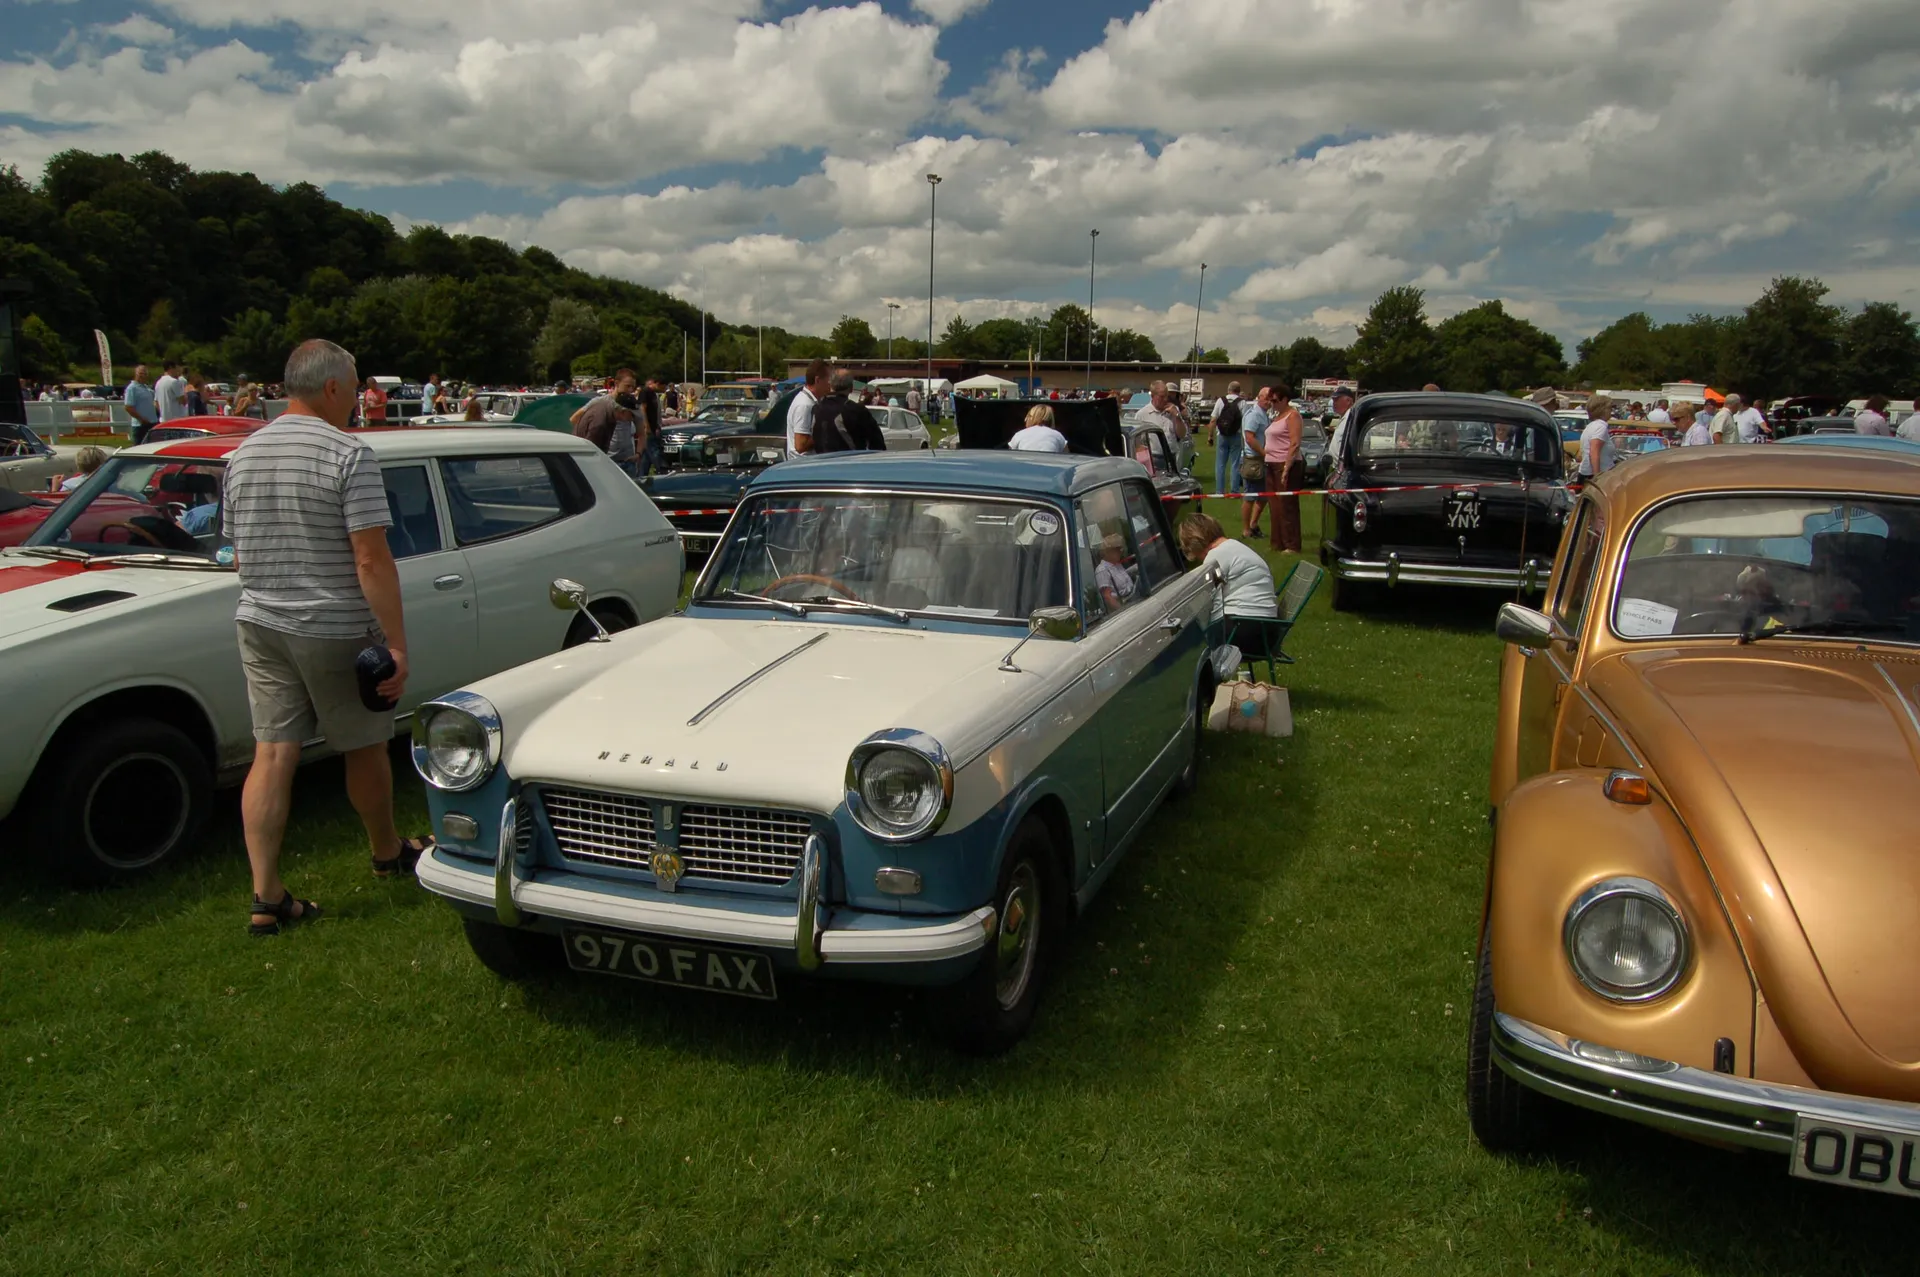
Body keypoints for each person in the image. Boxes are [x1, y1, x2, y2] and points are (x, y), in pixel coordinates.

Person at [221, 338, 431, 938]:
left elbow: (239, 552)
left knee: (272, 752)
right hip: (333, 624)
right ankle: (386, 851)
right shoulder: (347, 453)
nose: (360, 399)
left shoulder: (242, 454)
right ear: (333, 388)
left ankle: (266, 894)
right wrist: (396, 645)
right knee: (364, 745)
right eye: (356, 387)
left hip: (260, 620)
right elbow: (370, 557)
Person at [1177, 512, 1276, 648]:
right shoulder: (1234, 547)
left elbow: (1204, 598)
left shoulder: (1216, 555)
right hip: (1266, 629)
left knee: (1187, 636)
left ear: (1194, 543)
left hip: (1245, 628)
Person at [570, 367, 639, 471]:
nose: (630, 390)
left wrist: (638, 454)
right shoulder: (600, 403)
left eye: (633, 387)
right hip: (606, 459)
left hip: (628, 460)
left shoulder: (631, 403)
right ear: (616, 383)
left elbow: (641, 432)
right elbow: (574, 419)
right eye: (627, 386)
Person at [1263, 382, 1305, 553]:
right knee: (1275, 506)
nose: (1272, 404)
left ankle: (1292, 545)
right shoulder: (1277, 416)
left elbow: (1294, 443)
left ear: (1285, 399)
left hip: (1286, 464)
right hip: (1271, 464)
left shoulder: (1293, 416)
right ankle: (1277, 543)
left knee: (1287, 506)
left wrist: (1287, 467)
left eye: (1275, 400)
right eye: (1270, 401)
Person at [810, 370, 886, 452]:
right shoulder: (856, 410)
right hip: (850, 459)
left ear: (830, 385)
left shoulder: (816, 409)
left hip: (820, 458)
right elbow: (878, 444)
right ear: (851, 388)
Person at [1238, 387, 1273, 539]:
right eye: (1266, 398)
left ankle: (1254, 525)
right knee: (1250, 496)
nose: (1268, 401)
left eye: (1271, 399)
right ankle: (1246, 530)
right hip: (1253, 460)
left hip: (1261, 460)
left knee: (1263, 495)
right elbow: (1249, 438)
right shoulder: (1254, 415)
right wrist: (1264, 453)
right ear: (1259, 397)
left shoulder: (1264, 414)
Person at [787, 360, 830, 457]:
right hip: (802, 463)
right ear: (817, 380)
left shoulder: (809, 401)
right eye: (828, 379)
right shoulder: (805, 405)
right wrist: (825, 432)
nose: (830, 383)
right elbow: (800, 446)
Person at [1210, 382, 1245, 496]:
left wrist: (1210, 436)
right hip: (1236, 435)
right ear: (1239, 391)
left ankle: (1219, 491)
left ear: (1228, 389)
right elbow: (1245, 421)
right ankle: (1234, 491)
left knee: (1220, 464)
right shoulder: (1242, 402)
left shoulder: (1220, 401)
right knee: (1235, 464)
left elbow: (1213, 420)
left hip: (1222, 435)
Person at [1577, 393, 1615, 480]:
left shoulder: (1590, 426)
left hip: (1585, 473)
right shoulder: (1601, 427)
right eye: (1610, 408)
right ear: (1603, 410)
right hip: (1597, 475)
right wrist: (1596, 477)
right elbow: (1594, 452)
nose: (1611, 411)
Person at [1095, 533, 1135, 611]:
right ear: (1107, 551)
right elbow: (1107, 596)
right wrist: (1122, 610)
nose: (1120, 551)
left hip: (1133, 597)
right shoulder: (1102, 570)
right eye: (1116, 549)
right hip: (1124, 605)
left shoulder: (1117, 564)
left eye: (1120, 548)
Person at [638, 376, 666, 475]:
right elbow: (642, 408)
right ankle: (661, 470)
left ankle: (642, 474)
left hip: (653, 426)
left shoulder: (653, 394)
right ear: (657, 384)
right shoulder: (645, 392)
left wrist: (657, 426)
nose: (663, 390)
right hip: (648, 427)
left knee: (646, 454)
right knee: (654, 450)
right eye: (663, 387)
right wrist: (646, 426)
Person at [123, 364, 158, 444]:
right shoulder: (132, 388)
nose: (143, 376)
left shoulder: (146, 388)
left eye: (145, 374)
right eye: (141, 373)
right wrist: (141, 419)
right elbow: (128, 407)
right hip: (140, 425)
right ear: (136, 374)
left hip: (152, 422)